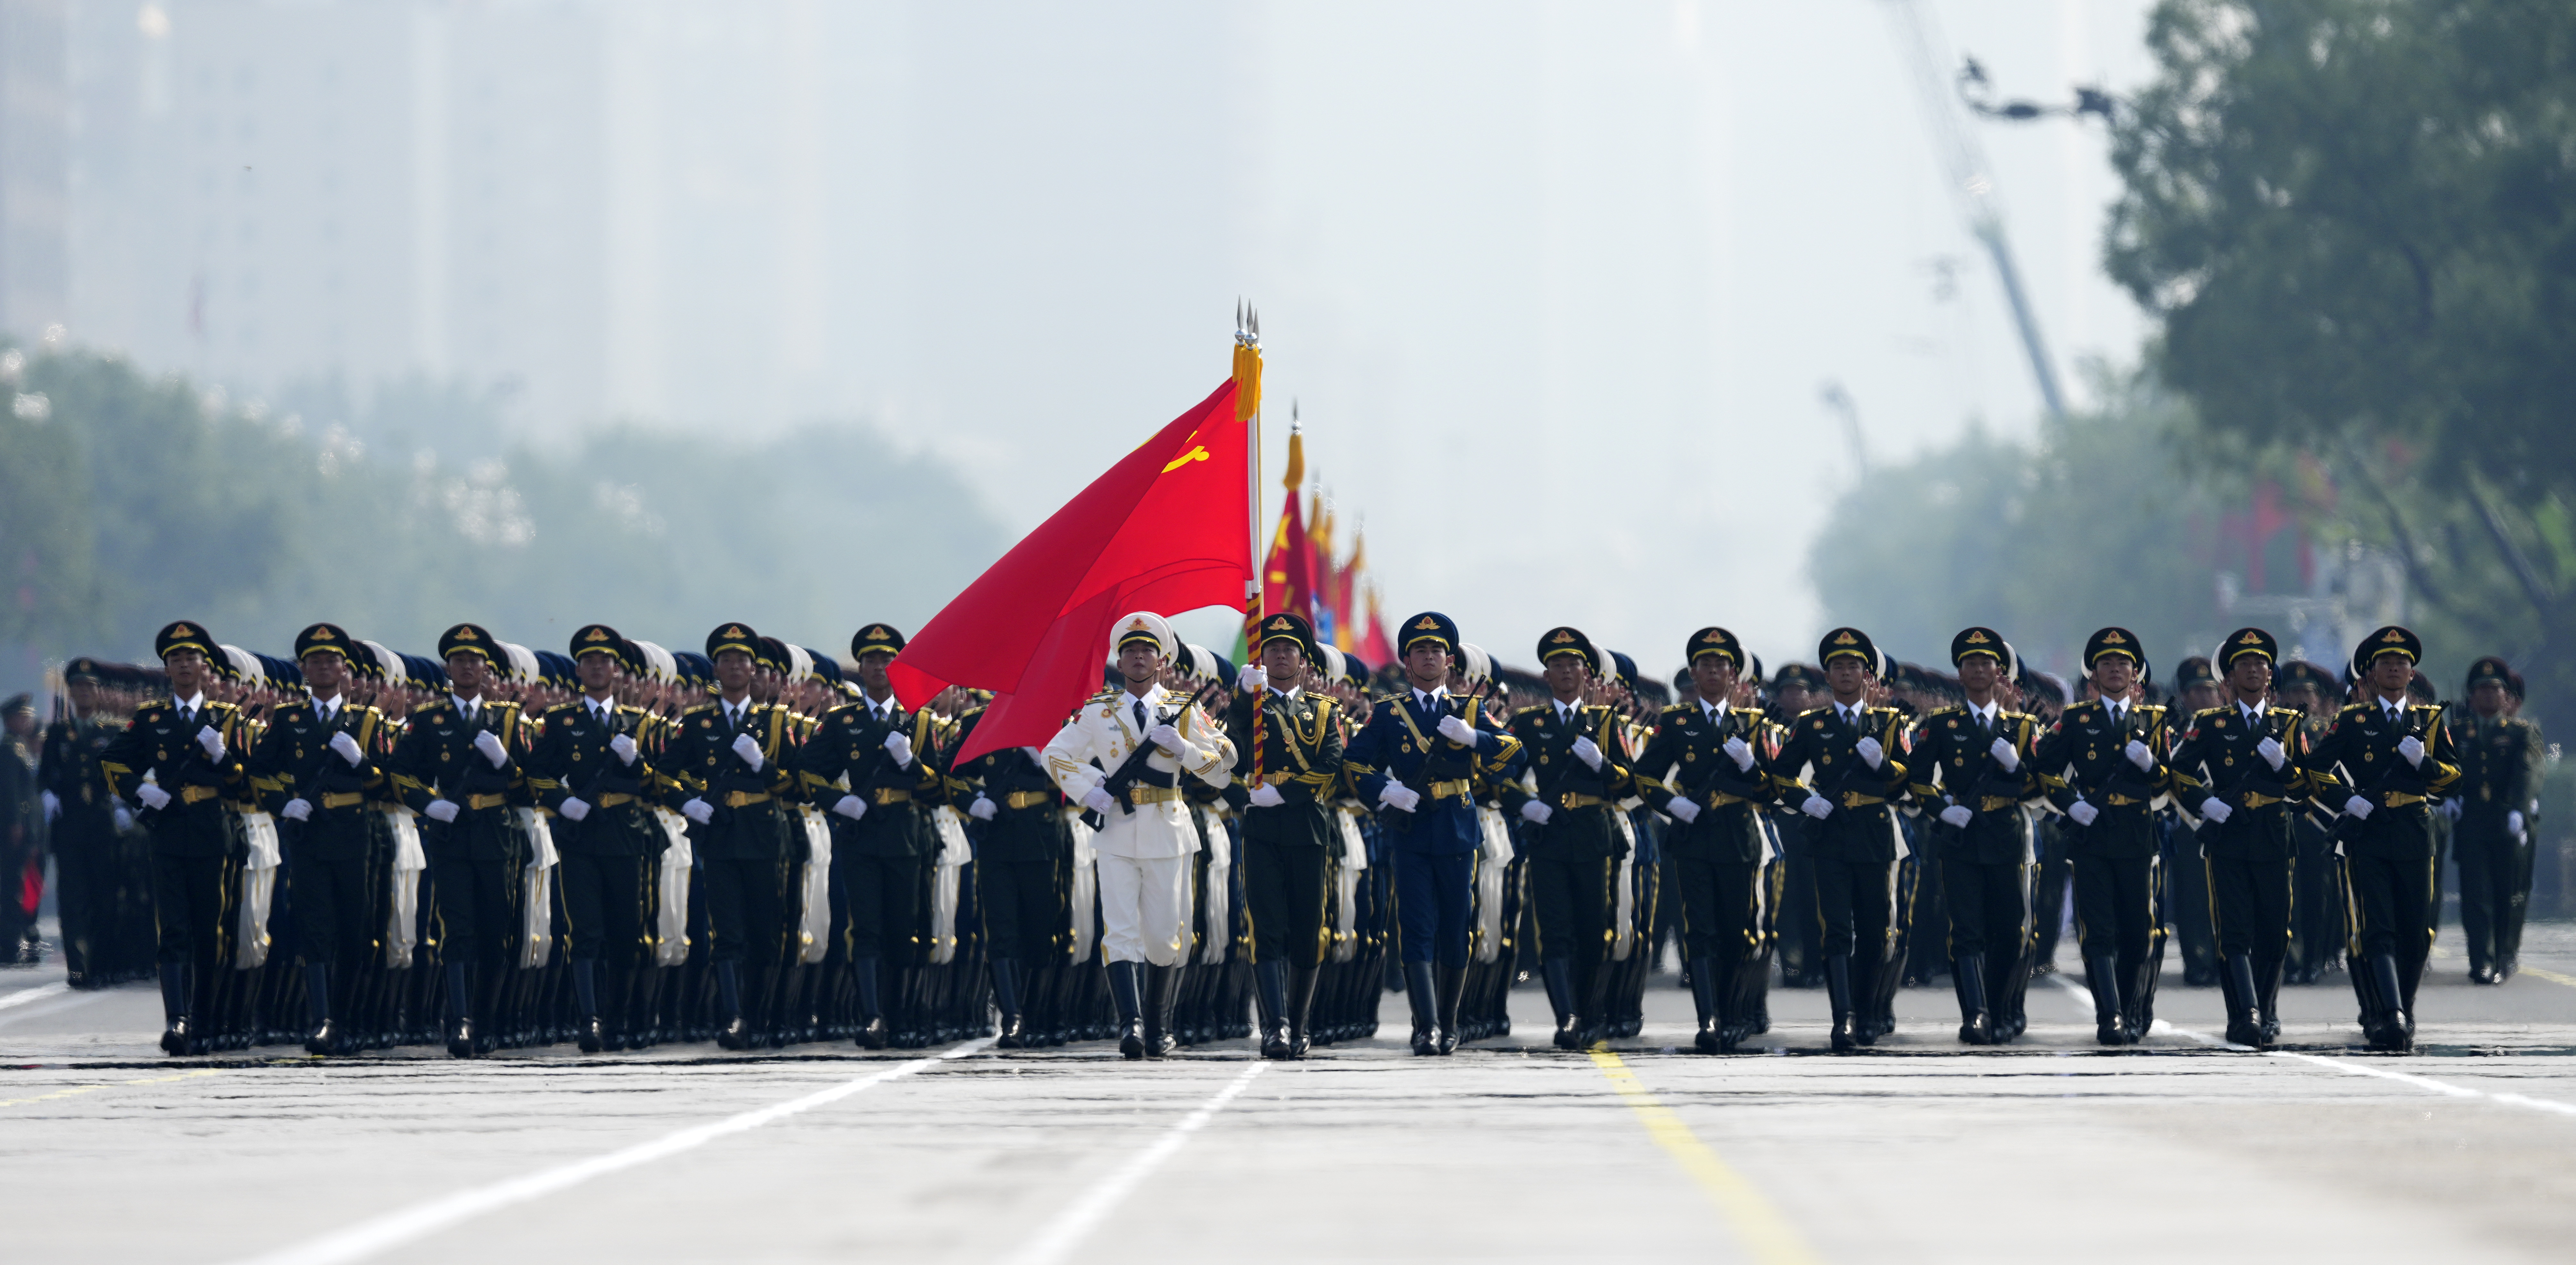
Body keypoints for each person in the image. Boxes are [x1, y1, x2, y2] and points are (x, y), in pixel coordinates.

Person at [1041, 611, 1236, 1059]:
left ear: (1162, 659)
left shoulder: (1183, 709)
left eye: (1147, 650)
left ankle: (1158, 1024)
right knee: (1120, 931)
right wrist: (1090, 790)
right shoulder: (1099, 711)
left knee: (1166, 935)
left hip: (1168, 829)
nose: (1139, 657)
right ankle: (1129, 1025)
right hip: (1116, 832)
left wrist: (1184, 749)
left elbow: (1225, 767)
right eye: (1130, 651)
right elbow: (1055, 754)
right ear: (1120, 659)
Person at [1342, 612, 1518, 1055]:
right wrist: (1386, 790)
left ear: (1450, 660)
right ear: (1406, 660)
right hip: (1412, 828)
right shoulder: (1387, 714)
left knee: (1457, 927)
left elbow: (1514, 753)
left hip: (1458, 828)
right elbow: (1354, 764)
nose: (1428, 657)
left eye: (1436, 650)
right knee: (1416, 926)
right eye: (1419, 650)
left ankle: (1450, 1022)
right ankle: (1427, 1026)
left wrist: (1474, 738)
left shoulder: (1470, 711)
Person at [99, 621, 253, 1055]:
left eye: (192, 659)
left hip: (209, 834)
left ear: (205, 668)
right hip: (168, 834)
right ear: (167, 669)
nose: (185, 665)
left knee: (209, 931)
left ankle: (204, 1017)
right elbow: (112, 763)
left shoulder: (226, 719)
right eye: (176, 660)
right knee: (174, 930)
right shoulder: (152, 719)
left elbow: (244, 785)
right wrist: (141, 790)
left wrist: (222, 756)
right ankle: (178, 1019)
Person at [2305, 626, 2461, 1051]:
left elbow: (2453, 778)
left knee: (2416, 931)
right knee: (2378, 927)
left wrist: (2425, 764)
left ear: (2412, 674)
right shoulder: (2354, 721)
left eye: (2402, 663)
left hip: (2413, 829)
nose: (2395, 668)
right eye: (2386, 663)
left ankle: (2403, 1008)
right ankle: (2389, 1011)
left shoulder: (2428, 720)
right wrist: (2345, 799)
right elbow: (2315, 769)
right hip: (2369, 831)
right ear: (2372, 675)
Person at [1632, 627, 1785, 1053]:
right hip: (1694, 837)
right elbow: (1645, 775)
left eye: (1721, 664)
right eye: (1705, 665)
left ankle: (1735, 1013)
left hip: (1738, 839)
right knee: (1699, 931)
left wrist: (1752, 764)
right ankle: (1710, 1019)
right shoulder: (1676, 722)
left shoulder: (1755, 725)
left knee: (1737, 931)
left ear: (1734, 675)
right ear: (1694, 674)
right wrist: (1670, 804)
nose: (1713, 670)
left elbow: (1772, 791)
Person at [795, 623, 947, 1049]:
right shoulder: (842, 721)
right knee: (865, 929)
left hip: (904, 837)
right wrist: (836, 800)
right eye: (872, 660)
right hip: (860, 834)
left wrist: (911, 764)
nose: (879, 667)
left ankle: (900, 1015)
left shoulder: (918, 721)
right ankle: (872, 1016)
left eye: (887, 660)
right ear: (861, 667)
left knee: (903, 930)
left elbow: (937, 789)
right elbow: (807, 770)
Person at [388, 623, 535, 1057]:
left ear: (487, 668)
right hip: (451, 834)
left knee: (496, 932)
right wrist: (428, 803)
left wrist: (506, 762)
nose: (467, 667)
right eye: (459, 660)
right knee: (456, 929)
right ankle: (461, 1022)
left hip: (495, 836)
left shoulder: (509, 719)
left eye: (475, 660)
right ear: (448, 668)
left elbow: (531, 786)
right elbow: (400, 773)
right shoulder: (428, 720)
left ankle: (487, 1019)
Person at [245, 623, 393, 1055]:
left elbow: (386, 783)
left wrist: (360, 761)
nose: (324, 668)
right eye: (316, 662)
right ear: (304, 671)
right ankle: (322, 1020)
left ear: (345, 671)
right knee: (316, 930)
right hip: (309, 836)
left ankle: (345, 1017)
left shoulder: (366, 721)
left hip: (352, 837)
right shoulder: (290, 720)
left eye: (332, 661)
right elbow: (259, 770)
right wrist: (283, 804)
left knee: (354, 932)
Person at [526, 625, 669, 1052]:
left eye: (604, 660)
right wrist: (561, 800)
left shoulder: (639, 724)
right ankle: (590, 1019)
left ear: (617, 670)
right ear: (579, 669)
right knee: (585, 931)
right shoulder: (560, 721)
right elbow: (537, 773)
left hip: (626, 837)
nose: (597, 667)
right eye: (589, 661)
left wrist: (637, 762)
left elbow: (661, 784)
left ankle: (621, 1017)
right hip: (581, 836)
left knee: (627, 933)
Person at [2167, 628, 2311, 1048]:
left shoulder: (2287, 724)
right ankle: (2244, 1012)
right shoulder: (2210, 723)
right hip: (2229, 835)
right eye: (2244, 665)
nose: (2254, 670)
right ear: (2228, 680)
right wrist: (2204, 803)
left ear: (2271, 676)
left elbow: (2303, 788)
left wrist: (2284, 766)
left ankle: (2266, 1009)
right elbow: (2180, 772)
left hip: (2272, 834)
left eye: (2261, 665)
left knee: (2275, 930)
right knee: (2233, 930)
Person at [661, 623, 802, 1050]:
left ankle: (764, 1014)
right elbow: (664, 774)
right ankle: (735, 1016)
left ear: (754, 669)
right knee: (727, 931)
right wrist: (688, 802)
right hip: (720, 837)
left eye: (743, 660)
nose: (736, 666)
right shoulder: (699, 723)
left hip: (763, 837)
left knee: (765, 931)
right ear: (717, 670)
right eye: (727, 660)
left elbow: (798, 786)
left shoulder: (775, 723)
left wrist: (764, 766)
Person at [1771, 628, 1913, 1052]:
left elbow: (1908, 781)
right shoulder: (1812, 725)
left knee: (1873, 930)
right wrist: (1804, 801)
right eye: (1839, 667)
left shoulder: (1889, 723)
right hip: (1829, 834)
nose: (1846, 673)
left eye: (1854, 666)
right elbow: (1782, 774)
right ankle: (1843, 1018)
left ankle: (1869, 1011)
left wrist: (1883, 765)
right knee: (1836, 930)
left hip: (1872, 834)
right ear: (1829, 677)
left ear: (1867, 676)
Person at [1499, 627, 1640, 1050]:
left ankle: (1592, 1012)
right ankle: (1568, 1017)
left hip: (1594, 836)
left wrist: (1601, 765)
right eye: (1557, 665)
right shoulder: (1528, 723)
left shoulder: (1605, 722)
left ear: (1587, 673)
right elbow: (1500, 776)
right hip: (1550, 836)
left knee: (1595, 930)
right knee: (1555, 931)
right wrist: (1524, 804)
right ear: (1547, 675)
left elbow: (1629, 784)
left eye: (1573, 664)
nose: (1565, 671)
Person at [1903, 628, 2043, 1046]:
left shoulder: (2022, 728)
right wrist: (1943, 808)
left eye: (1986, 663)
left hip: (2005, 836)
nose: (1979, 670)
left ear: (1999, 673)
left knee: (2009, 929)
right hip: (1961, 838)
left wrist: (2016, 765)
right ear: (1960, 674)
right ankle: (1976, 1014)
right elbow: (1918, 779)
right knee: (1965, 930)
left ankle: (2001, 1009)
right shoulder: (1942, 724)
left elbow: (2038, 787)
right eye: (1971, 664)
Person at [2033, 627, 2171, 1046]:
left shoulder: (2153, 720)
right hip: (2092, 836)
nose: (2115, 669)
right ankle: (2109, 1016)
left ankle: (2130, 1010)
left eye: (2123, 664)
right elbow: (2046, 770)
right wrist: (2070, 803)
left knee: (2136, 932)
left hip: (2135, 836)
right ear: (2094, 675)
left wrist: (2150, 765)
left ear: (2135, 673)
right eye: (2107, 664)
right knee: (2098, 931)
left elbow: (2168, 782)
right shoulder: (2077, 720)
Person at [1224, 612, 1348, 1059]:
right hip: (1260, 828)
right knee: (1266, 928)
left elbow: (1331, 762)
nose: (1280, 654)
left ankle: (1299, 1024)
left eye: (1289, 649)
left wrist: (1288, 794)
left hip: (1307, 827)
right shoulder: (1250, 707)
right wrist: (1241, 697)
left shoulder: (1324, 710)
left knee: (1308, 929)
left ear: (1303, 660)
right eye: (1272, 648)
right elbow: (1231, 749)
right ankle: (1274, 1026)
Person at [2449, 657, 2544, 984]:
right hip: (2472, 821)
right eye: (2482, 689)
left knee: (2506, 891)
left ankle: (2504, 953)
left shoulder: (2522, 732)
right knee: (2475, 893)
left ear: (2506, 696)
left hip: (2507, 819)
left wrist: (2519, 808)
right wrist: (2448, 796)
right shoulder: (2456, 732)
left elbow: (2528, 773)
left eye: (2495, 689)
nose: (2488, 695)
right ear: (2471, 695)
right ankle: (2481, 960)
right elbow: (2444, 769)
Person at [2164, 656, 2225, 987]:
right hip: (2189, 826)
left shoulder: (2226, 726)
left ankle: (2224, 958)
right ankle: (2198, 959)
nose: (2204, 697)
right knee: (2193, 897)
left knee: (2226, 895)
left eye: (2209, 690)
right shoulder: (2172, 730)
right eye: (2196, 691)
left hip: (2227, 822)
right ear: (2184, 695)